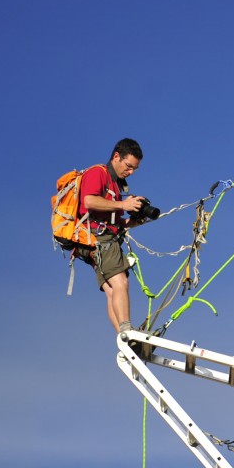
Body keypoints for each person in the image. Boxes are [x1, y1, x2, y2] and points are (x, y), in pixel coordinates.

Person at [78, 137, 147, 333]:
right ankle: (127, 331)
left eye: (135, 169)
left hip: (92, 239)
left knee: (111, 290)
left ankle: (123, 337)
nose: (131, 172)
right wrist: (123, 205)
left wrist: (131, 222)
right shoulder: (97, 173)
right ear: (116, 156)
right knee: (120, 282)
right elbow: (89, 201)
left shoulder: (115, 185)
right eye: (128, 166)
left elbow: (111, 220)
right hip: (99, 238)